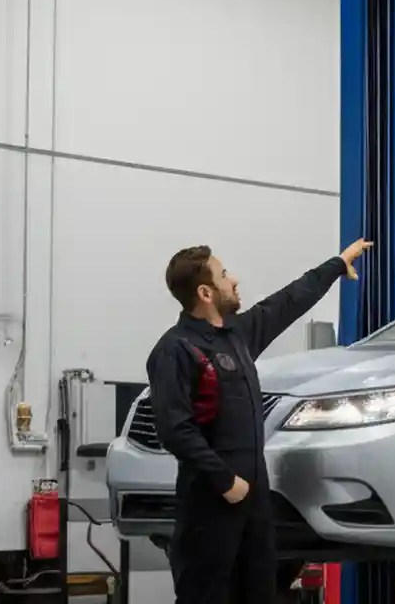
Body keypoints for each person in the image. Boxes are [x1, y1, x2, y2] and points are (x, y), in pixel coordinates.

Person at [147, 240, 371, 604]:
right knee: (206, 594)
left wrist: (336, 264)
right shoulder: (176, 349)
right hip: (211, 501)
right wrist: (223, 481)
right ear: (205, 292)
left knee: (260, 590)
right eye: (223, 275)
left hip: (253, 499)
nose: (233, 279)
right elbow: (174, 429)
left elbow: (287, 302)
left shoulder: (237, 335)